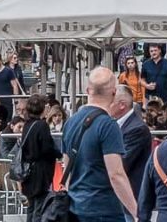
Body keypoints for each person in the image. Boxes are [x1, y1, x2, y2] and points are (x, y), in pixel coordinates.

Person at [58, 68, 139, 222]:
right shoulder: (108, 126)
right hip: (104, 209)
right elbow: (116, 174)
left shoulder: (71, 122)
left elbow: (66, 167)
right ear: (114, 93)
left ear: (88, 90)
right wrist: (136, 213)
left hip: (75, 208)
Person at [16, 95, 59, 222]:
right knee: (39, 207)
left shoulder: (27, 124)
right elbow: (47, 148)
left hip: (29, 171)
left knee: (31, 206)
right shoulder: (42, 125)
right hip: (40, 172)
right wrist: (58, 153)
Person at [110, 86, 151, 201]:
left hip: (131, 195)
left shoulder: (137, 129)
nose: (107, 105)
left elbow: (121, 163)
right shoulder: (115, 124)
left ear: (122, 105)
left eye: (111, 101)